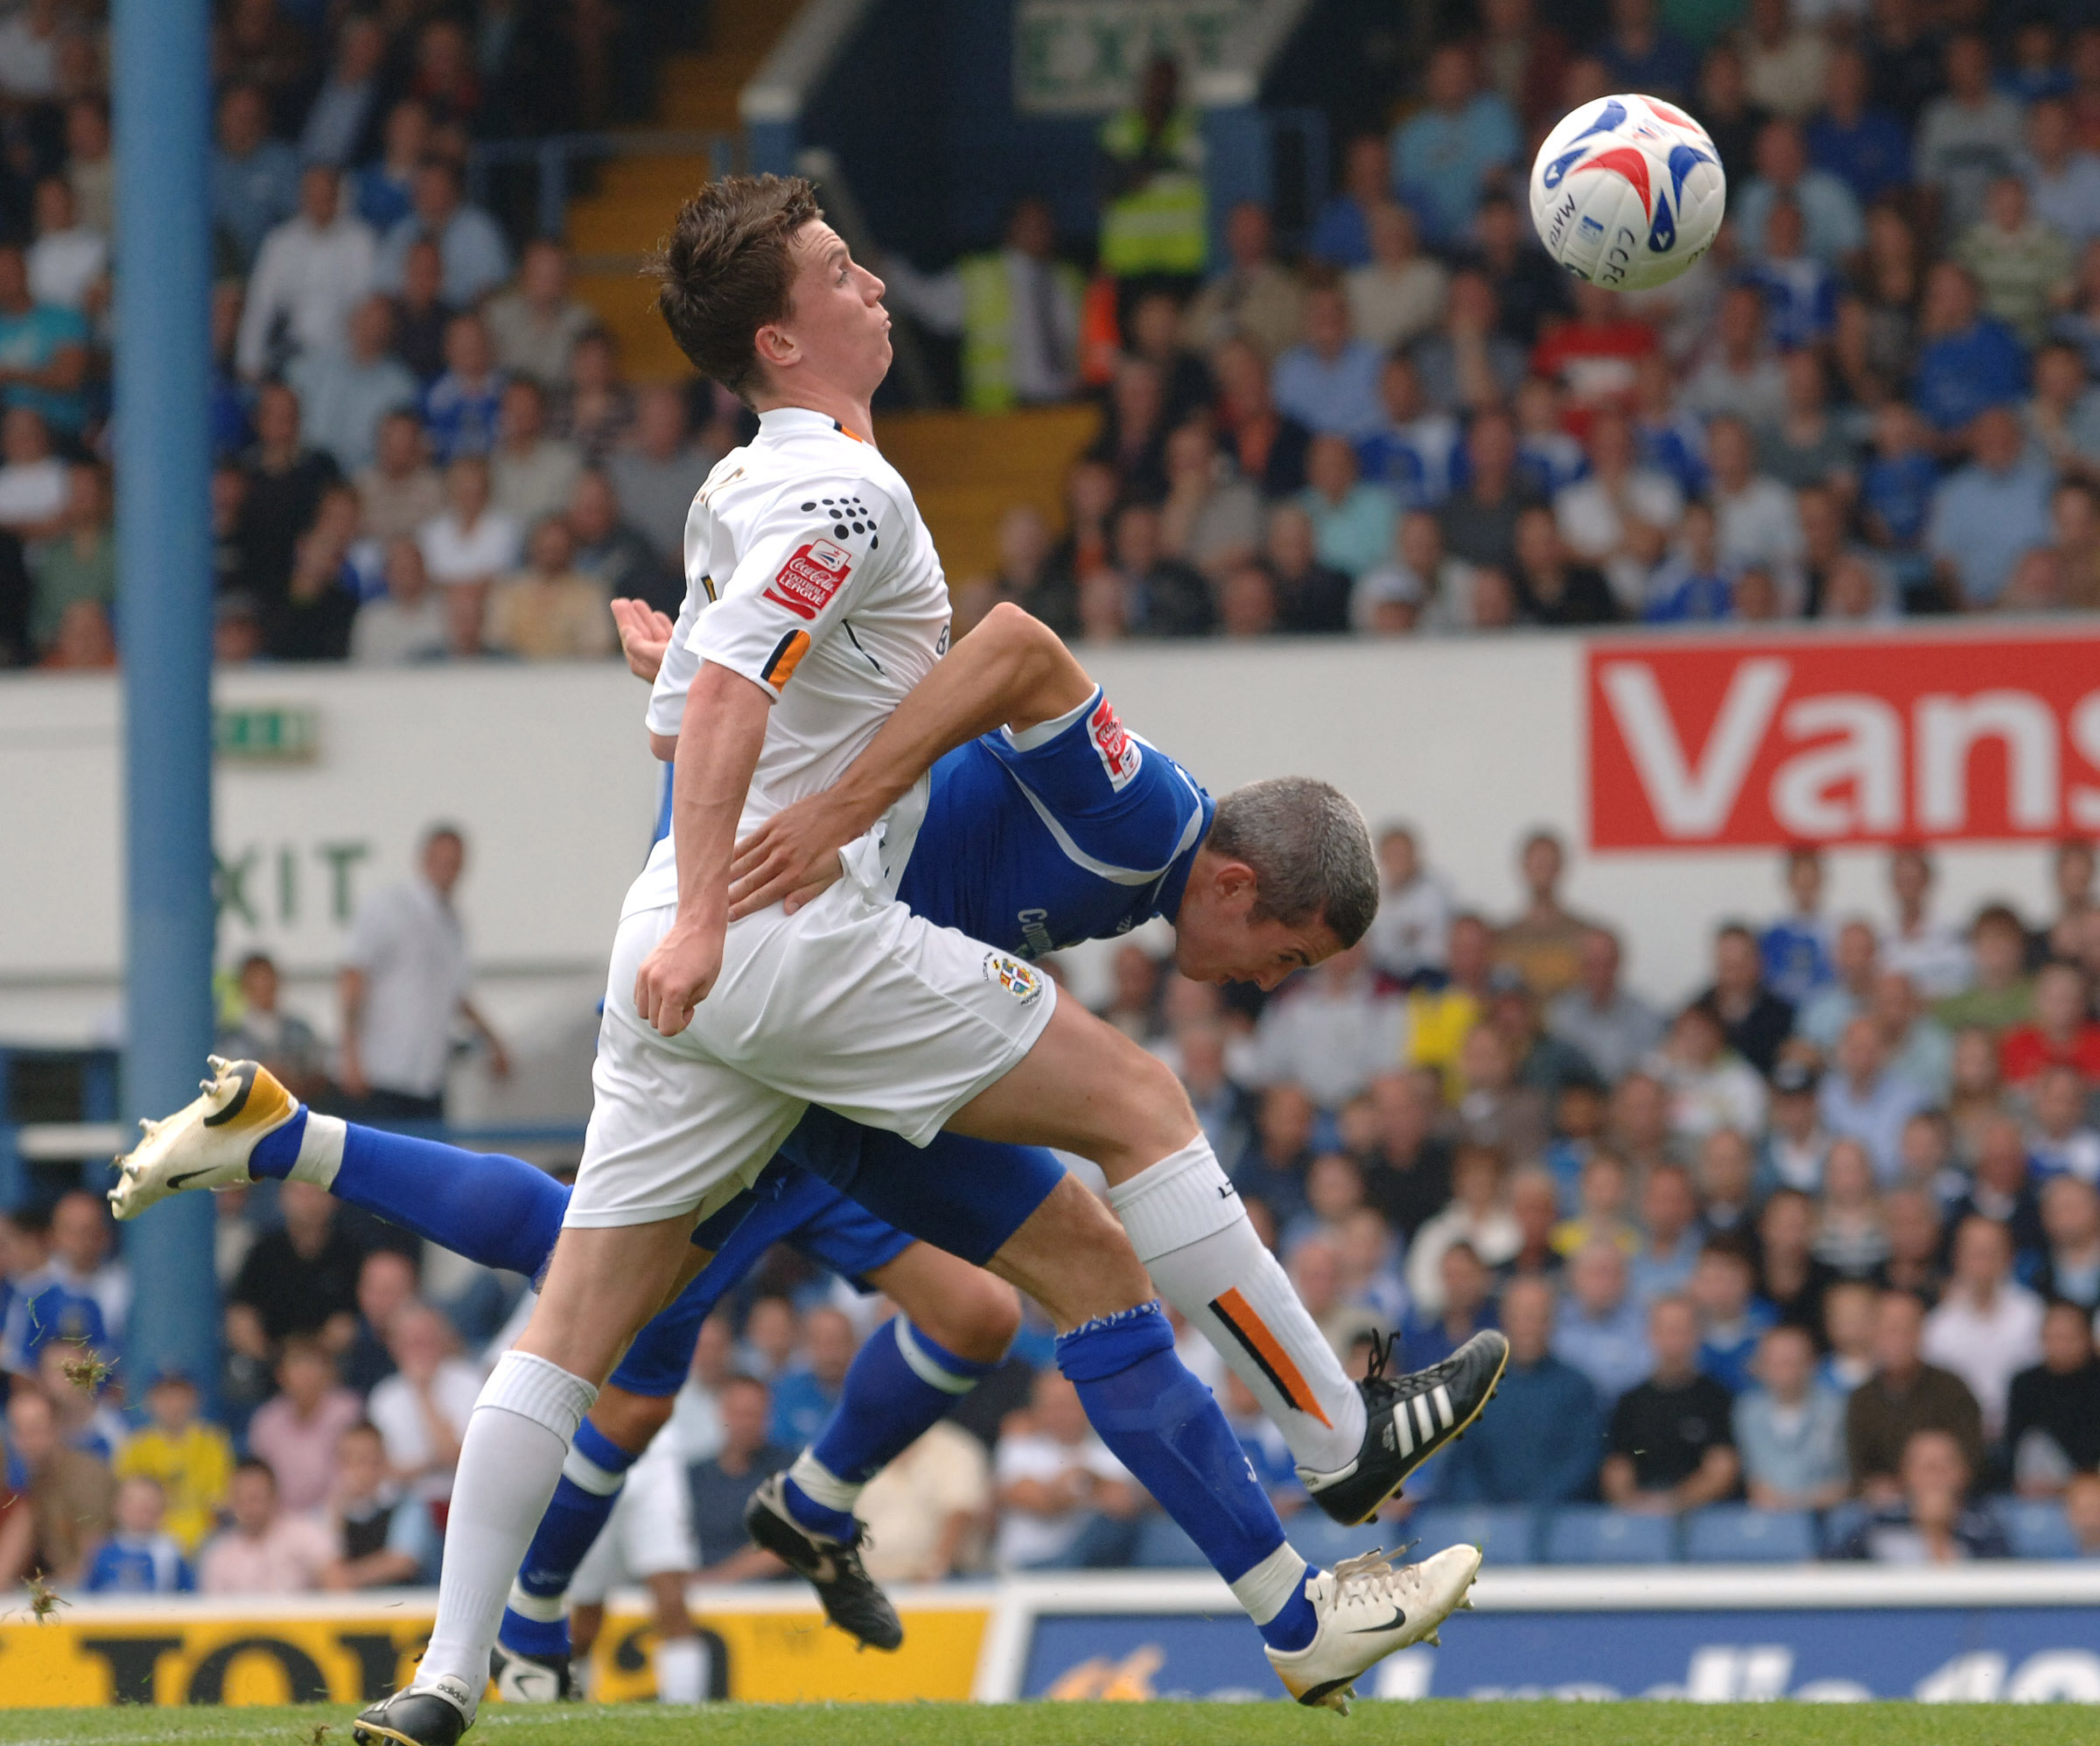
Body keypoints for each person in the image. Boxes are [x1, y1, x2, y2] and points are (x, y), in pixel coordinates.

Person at [338, 823, 509, 1121]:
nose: (449, 870)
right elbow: (354, 976)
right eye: (442, 860)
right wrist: (350, 1055)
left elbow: (455, 995)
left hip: (428, 1077)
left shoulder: (453, 923)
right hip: (382, 1073)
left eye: (454, 863)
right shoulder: (388, 906)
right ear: (424, 859)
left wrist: (493, 1041)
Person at [879, 198, 1082, 412]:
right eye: (1029, 223)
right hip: (1005, 408)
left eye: (1044, 224)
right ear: (1011, 227)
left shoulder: (1068, 280)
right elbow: (931, 303)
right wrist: (891, 272)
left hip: (1065, 402)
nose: (1038, 231)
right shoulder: (982, 276)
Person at [1442, 1275, 1601, 1504]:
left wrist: (1537, 1506)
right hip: (1488, 1522)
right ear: (1504, 1320)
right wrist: (1490, 1510)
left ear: (1553, 1322)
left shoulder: (1578, 1389)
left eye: (1539, 1317)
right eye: (1522, 1317)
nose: (1530, 1327)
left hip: (1558, 1522)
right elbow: (1462, 1463)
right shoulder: (1476, 1388)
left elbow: (1583, 1460)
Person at [1601, 1296, 1741, 1512]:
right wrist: (1633, 1503)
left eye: (1681, 1330)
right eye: (1665, 1330)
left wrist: (1673, 1503)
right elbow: (1618, 1465)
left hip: (1702, 1517)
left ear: (1697, 1335)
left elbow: (1722, 1467)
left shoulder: (1718, 1399)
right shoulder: (1629, 1402)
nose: (1673, 1340)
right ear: (1650, 1334)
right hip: (1640, 1517)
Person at [994, 1369, 1144, 1570]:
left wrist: (1084, 1480)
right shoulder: (1020, 1446)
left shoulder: (1110, 1452)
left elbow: (1125, 1507)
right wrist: (1092, 1487)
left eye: (1068, 1406)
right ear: (1036, 1409)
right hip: (1029, 1567)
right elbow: (1035, 1501)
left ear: (1086, 1407)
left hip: (1095, 1570)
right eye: (1052, 1406)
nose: (1060, 1414)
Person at [237, 164, 376, 381]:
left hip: (343, 358)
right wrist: (249, 360)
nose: (319, 201)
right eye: (313, 194)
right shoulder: (280, 242)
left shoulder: (361, 241)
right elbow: (261, 305)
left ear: (338, 195)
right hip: (289, 354)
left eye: (326, 194)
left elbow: (366, 305)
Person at [1846, 1289, 1986, 1500]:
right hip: (1886, 1509)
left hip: (1950, 1503)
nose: (1898, 1339)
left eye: (1907, 1329)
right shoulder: (1861, 1400)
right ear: (1873, 1335)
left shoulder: (1952, 1390)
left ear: (1921, 1333)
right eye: (1890, 1330)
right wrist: (1874, 1487)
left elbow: (1970, 1461)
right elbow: (1858, 1470)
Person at [1921, 1216, 2044, 1444]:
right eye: (1975, 1253)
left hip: (2025, 1435)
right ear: (1957, 1258)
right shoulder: (1938, 1326)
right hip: (1959, 1439)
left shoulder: (2034, 1316)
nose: (1984, 1261)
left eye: (1992, 1251)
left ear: (2010, 1256)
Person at [1096, 55, 1207, 287]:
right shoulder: (1118, 133)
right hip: (1131, 262)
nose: (1161, 89)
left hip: (1181, 261)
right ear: (1143, 85)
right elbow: (1102, 191)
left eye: (1168, 82)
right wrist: (1128, 178)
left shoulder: (1193, 131)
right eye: (1155, 82)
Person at [1830, 1428, 2009, 1561]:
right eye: (1928, 1468)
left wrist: (1938, 1533)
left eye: (1946, 1466)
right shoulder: (1880, 1522)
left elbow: (1998, 1583)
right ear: (1905, 1475)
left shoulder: (1984, 1526)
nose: (1936, 1477)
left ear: (1964, 1474)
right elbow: (1836, 1572)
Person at [113, 1371, 234, 1557]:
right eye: (164, 1396)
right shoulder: (135, 1448)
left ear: (195, 1399)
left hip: (203, 1542)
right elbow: (127, 1504)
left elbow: (220, 1503)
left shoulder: (213, 1443)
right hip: (148, 1540)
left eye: (180, 1395)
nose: (173, 1404)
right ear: (150, 1400)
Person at [684, 1373, 793, 1580]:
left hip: (775, 1597)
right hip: (700, 1592)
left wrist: (715, 1580)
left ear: (768, 1416)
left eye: (754, 1414)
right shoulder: (693, 1475)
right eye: (738, 1413)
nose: (745, 1423)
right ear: (721, 1413)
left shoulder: (788, 1473)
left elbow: (789, 1545)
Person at [246, 1336, 365, 1515]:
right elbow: (260, 1481)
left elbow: (358, 1471)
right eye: (297, 1365)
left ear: (328, 1371)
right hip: (280, 1520)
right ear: (281, 1375)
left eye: (312, 1364)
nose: (305, 1374)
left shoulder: (348, 1411)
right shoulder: (266, 1421)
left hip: (339, 1512)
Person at [1734, 1323, 1848, 1511]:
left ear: (1811, 1363)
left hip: (1825, 1516)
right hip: (1768, 1518)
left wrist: (1795, 1504)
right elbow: (1754, 1478)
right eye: (1775, 1362)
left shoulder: (1837, 1410)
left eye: (1791, 1361)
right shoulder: (1747, 1412)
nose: (1784, 1371)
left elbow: (1844, 1480)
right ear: (1761, 1366)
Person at [324, 1421, 438, 1590]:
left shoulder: (408, 1505)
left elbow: (402, 1563)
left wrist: (349, 1577)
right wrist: (336, 1515)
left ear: (382, 1461)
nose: (356, 1469)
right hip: (349, 1610)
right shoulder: (332, 1509)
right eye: (348, 1459)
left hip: (403, 1609)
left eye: (364, 1459)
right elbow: (324, 1562)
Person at [199, 1458, 336, 1596]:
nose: (247, 1507)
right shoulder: (218, 1555)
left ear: (274, 1497)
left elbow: (338, 1587)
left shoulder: (305, 1534)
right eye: (239, 1499)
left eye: (255, 1498)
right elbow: (214, 1613)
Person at [483, 237, 597, 392]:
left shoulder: (582, 321)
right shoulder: (497, 315)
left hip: (561, 405)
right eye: (541, 271)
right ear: (522, 273)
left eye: (555, 271)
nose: (548, 278)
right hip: (506, 404)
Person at [84, 1476, 194, 1595]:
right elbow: (87, 1594)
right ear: (116, 1506)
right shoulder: (102, 1550)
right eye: (131, 1502)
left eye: (147, 1504)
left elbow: (188, 1597)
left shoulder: (170, 1552)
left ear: (162, 1510)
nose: (138, 1509)